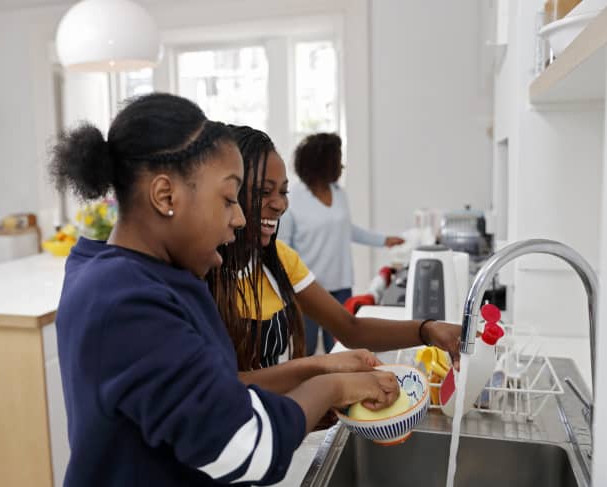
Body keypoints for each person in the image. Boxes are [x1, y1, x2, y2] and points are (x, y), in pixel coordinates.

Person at [49, 93, 400, 487]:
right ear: (166, 196)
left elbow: (217, 391)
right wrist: (332, 386)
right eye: (229, 199)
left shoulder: (153, 279)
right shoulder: (122, 300)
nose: (238, 218)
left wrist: (317, 366)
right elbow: (246, 448)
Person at [207, 125, 461, 395]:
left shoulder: (280, 259)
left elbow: (351, 329)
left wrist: (428, 330)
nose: (279, 204)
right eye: (263, 193)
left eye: (283, 192)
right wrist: (323, 373)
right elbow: (224, 385)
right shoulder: (200, 274)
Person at [278, 132, 405, 355]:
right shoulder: (294, 198)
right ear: (323, 163)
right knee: (305, 349)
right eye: (338, 159)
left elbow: (347, 230)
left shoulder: (339, 194)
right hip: (307, 288)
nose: (342, 166)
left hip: (341, 285)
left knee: (341, 347)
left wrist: (383, 241)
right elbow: (283, 247)